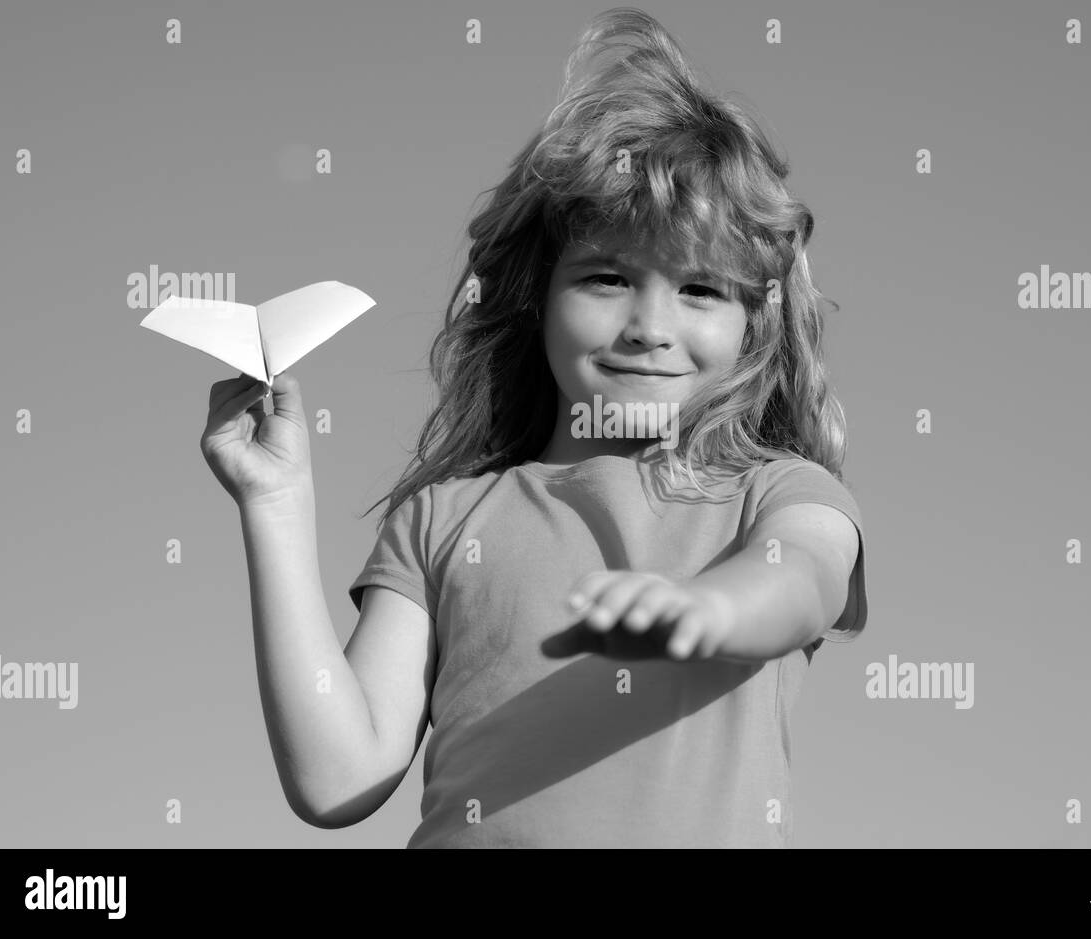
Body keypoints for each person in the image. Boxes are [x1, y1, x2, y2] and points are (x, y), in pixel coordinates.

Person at [200, 7, 868, 848]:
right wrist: (275, 503)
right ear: (536, 297)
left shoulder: (780, 492)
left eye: (700, 289)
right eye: (606, 278)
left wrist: (702, 608)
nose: (649, 327)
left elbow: (803, 581)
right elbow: (336, 777)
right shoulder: (442, 522)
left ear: (754, 324)